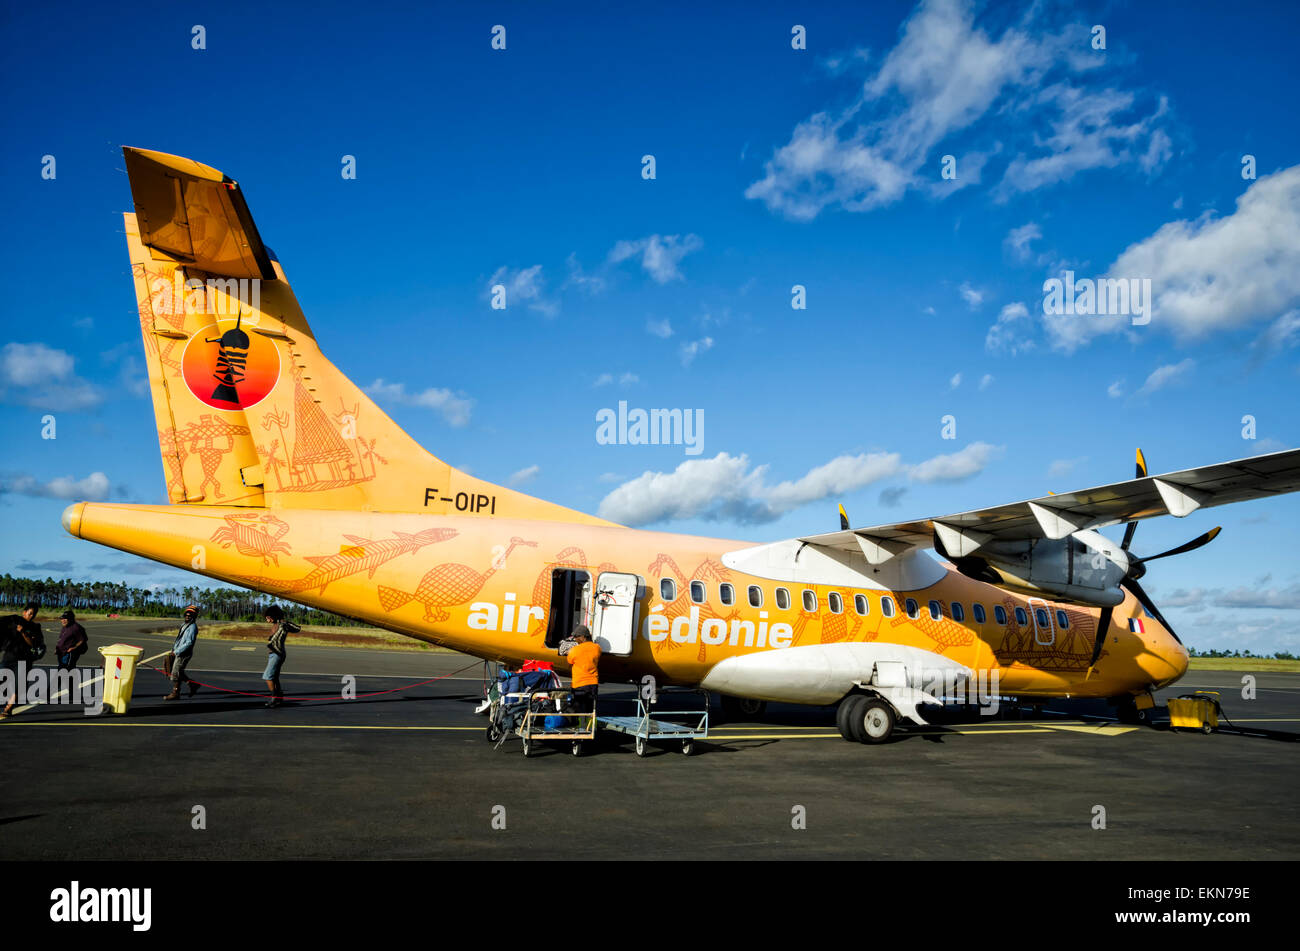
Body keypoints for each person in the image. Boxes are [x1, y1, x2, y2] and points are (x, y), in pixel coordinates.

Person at [1, 614, 41, 719]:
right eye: (30, 613)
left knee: (19, 685)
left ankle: (8, 708)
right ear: (24, 612)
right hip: (8, 658)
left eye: (33, 614)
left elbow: (33, 644)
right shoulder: (13, 621)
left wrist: (23, 632)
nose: (31, 616)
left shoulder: (35, 627)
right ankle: (8, 698)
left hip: (24, 659)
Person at [262, 605, 299, 708]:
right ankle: (279, 698)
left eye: (268, 617)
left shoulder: (282, 625)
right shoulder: (275, 625)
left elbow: (297, 628)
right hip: (273, 654)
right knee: (274, 677)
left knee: (267, 676)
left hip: (277, 654)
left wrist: (285, 622)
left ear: (273, 616)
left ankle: (274, 698)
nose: (267, 620)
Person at [163, 605, 201, 701]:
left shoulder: (192, 627)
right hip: (178, 652)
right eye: (186, 615)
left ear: (194, 617)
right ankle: (189, 686)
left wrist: (176, 652)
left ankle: (177, 692)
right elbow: (179, 640)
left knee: (176, 673)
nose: (187, 617)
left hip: (184, 654)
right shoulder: (184, 625)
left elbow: (189, 642)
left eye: (190, 615)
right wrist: (174, 650)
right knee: (178, 672)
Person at [565, 625, 601, 717]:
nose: (575, 639)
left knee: (578, 711)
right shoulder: (597, 648)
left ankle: (581, 726)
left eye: (576, 637)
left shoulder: (574, 650)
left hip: (579, 684)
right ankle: (591, 725)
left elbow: (569, 663)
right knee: (591, 710)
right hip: (593, 684)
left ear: (583, 637)